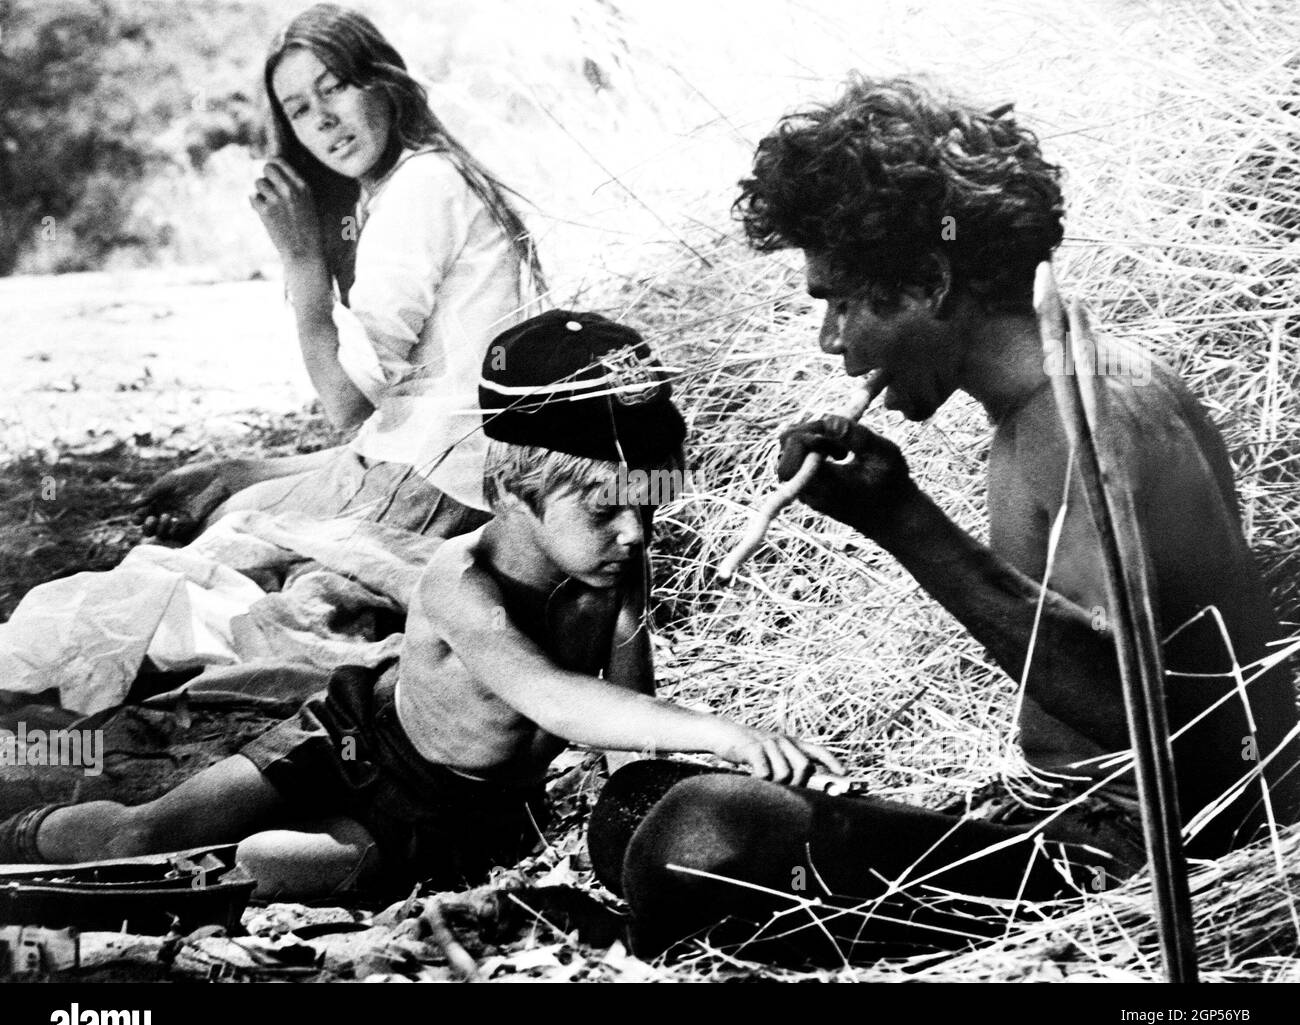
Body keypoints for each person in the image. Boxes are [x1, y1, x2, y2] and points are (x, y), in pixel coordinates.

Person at [588, 76, 1300, 965]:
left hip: (1133, 866)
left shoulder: (1089, 413)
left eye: (841, 301)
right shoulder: (1047, 397)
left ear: (930, 279)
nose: (829, 339)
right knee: (641, 802)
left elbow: (1134, 714)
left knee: (699, 839)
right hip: (1052, 821)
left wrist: (905, 523)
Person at [1, 311, 840, 898]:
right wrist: (720, 731)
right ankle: (24, 834)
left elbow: (629, 715)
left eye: (648, 507)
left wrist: (640, 813)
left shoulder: (617, 571)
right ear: (512, 488)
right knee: (147, 835)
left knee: (267, 865)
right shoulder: (459, 578)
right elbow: (549, 696)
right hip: (353, 742)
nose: (634, 532)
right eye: (605, 508)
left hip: (453, 810)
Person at [132, 3, 545, 542]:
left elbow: (348, 406)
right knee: (232, 504)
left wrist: (301, 260)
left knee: (225, 534)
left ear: (384, 82)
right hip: (449, 467)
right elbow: (391, 424)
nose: (322, 119)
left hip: (445, 484)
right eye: (299, 109)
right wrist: (239, 472)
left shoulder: (421, 187)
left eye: (334, 88)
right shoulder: (425, 177)